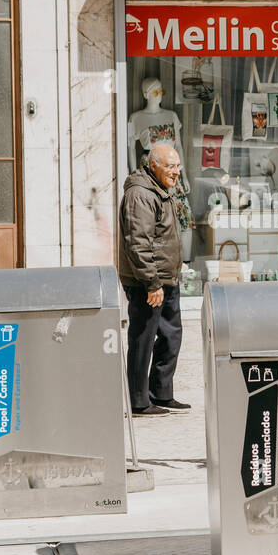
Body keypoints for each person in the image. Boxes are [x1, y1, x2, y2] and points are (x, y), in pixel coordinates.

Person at [118, 142, 190, 415]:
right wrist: (152, 283)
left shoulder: (161, 190)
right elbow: (137, 242)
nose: (176, 172)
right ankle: (138, 401)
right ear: (153, 166)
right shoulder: (140, 194)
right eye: (170, 166)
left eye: (177, 166)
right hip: (148, 282)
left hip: (166, 279)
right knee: (143, 339)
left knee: (171, 336)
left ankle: (161, 392)